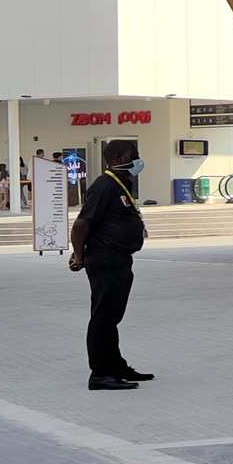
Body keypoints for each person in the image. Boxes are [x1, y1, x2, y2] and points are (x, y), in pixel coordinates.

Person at [67, 140, 152, 390]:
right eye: (133, 155)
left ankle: (116, 365)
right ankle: (100, 374)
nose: (138, 160)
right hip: (105, 258)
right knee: (103, 317)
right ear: (116, 158)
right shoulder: (104, 185)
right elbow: (81, 224)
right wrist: (78, 256)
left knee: (112, 315)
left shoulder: (121, 183)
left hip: (119, 258)